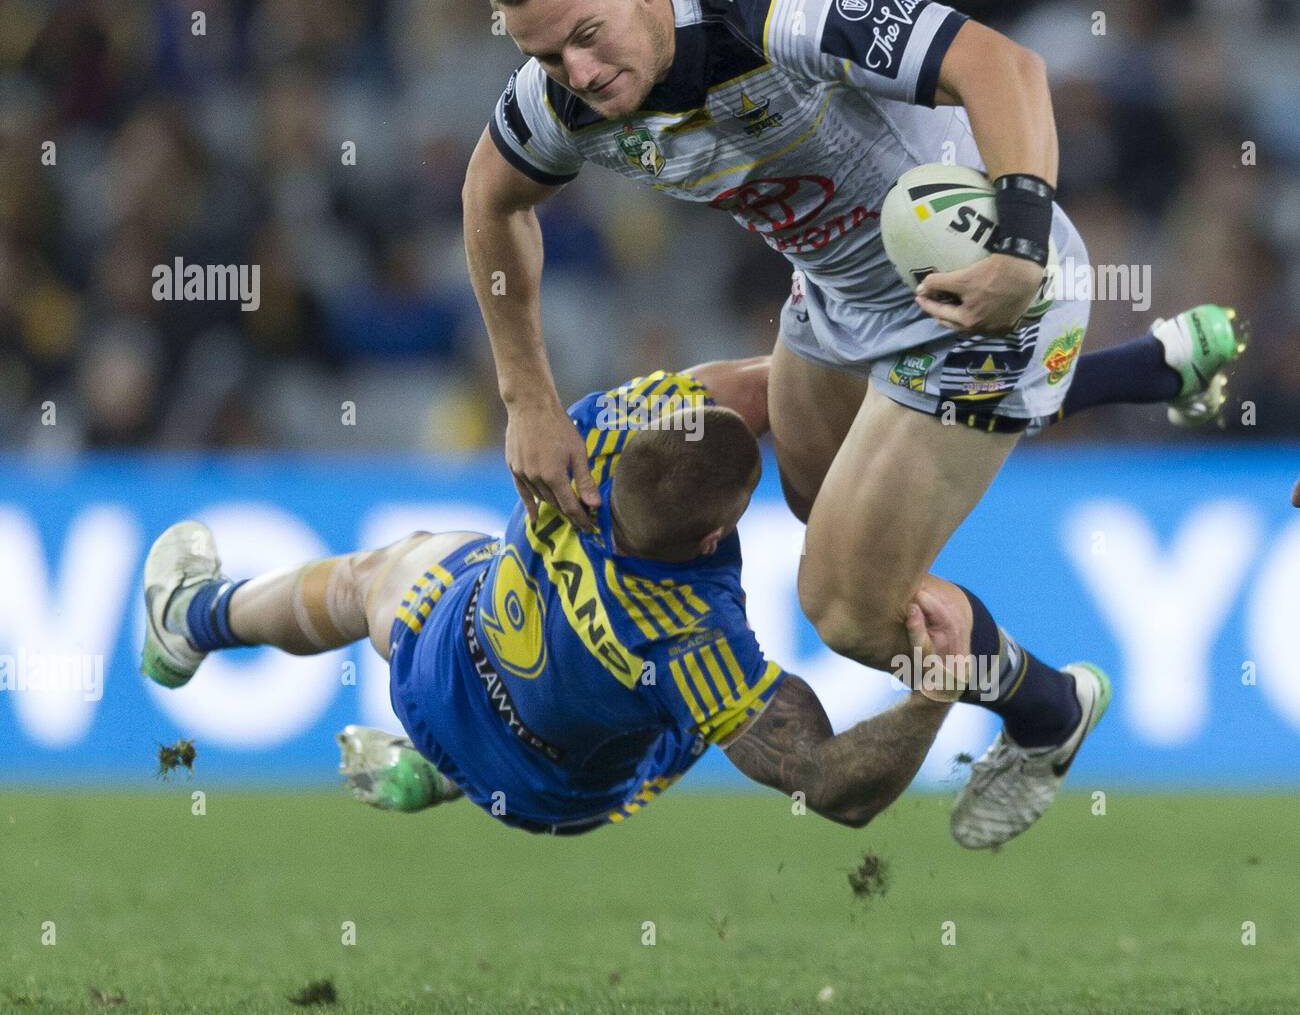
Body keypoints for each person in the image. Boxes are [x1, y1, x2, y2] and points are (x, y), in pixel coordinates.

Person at [461, 0, 1246, 848]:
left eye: (586, 37)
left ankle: (1048, 711)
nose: (577, 74)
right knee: (812, 495)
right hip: (838, 296)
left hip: (982, 297)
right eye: (547, 56)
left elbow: (1003, 66)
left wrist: (1021, 247)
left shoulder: (772, 2)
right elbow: (491, 200)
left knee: (848, 607)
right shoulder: (562, 98)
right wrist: (526, 400)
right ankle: (1144, 369)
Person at [142, 358, 984, 835]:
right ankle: (442, 774)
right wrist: (930, 700)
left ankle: (189, 619)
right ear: (709, 541)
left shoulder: (600, 427)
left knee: (377, 575)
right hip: (558, 793)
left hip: (449, 670)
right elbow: (832, 786)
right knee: (690, 712)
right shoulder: (698, 639)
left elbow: (757, 386)